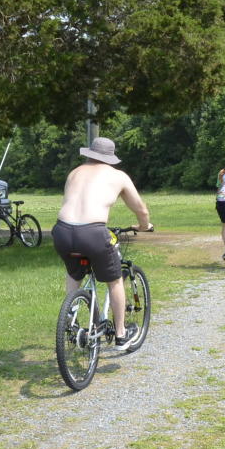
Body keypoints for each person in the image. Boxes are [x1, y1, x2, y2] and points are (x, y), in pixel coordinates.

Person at [52, 136, 153, 349]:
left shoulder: (74, 173)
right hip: (93, 233)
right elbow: (141, 209)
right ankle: (121, 334)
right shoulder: (118, 176)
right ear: (110, 157)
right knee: (114, 280)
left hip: (61, 231)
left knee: (73, 272)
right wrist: (144, 226)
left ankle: (70, 321)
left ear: (90, 153)